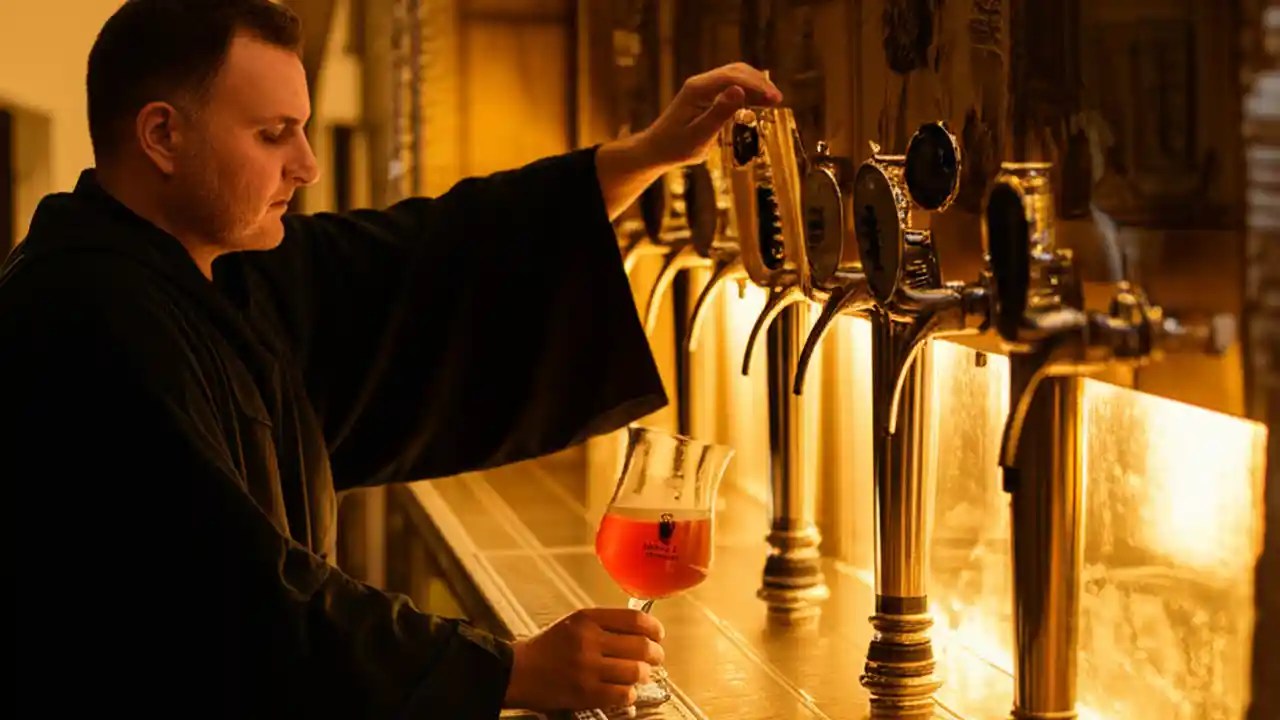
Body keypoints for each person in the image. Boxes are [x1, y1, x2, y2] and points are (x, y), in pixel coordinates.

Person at [0, 0, 781, 717]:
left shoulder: (210, 269)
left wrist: (645, 155)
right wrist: (507, 670)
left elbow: (426, 261)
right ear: (162, 135)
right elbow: (234, 602)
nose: (305, 165)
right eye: (273, 134)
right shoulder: (83, 315)